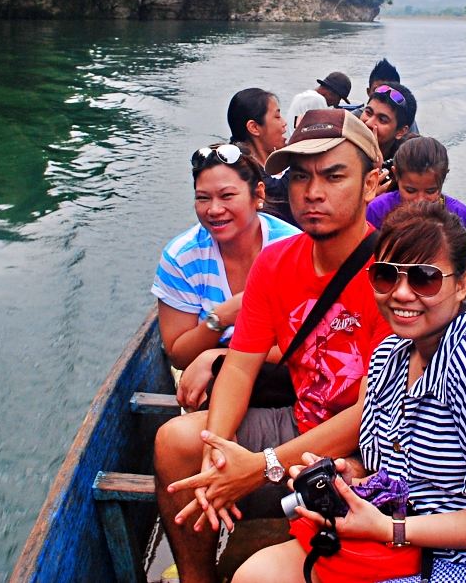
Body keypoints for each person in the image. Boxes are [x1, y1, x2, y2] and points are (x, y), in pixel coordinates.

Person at [233, 203, 466, 583]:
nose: (402, 294)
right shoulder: (387, 357)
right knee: (256, 575)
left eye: (424, 279)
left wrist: (390, 530)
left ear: (461, 285)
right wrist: (353, 476)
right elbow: (386, 468)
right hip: (408, 538)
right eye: (386, 276)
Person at [155, 109, 390, 583]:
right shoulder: (276, 262)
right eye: (300, 177)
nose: (313, 192)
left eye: (334, 175)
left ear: (371, 185)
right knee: (177, 442)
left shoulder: (395, 275)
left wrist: (261, 466)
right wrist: (216, 455)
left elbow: (373, 415)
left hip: (371, 452)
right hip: (299, 421)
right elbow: (241, 368)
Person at [153, 143, 300, 410]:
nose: (214, 210)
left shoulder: (293, 249)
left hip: (285, 375)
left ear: (258, 194)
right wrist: (221, 317)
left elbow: (308, 346)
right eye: (203, 198)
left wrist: (220, 357)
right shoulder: (181, 257)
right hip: (214, 377)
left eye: (227, 195)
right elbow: (179, 356)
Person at [367, 136, 466, 279]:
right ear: (396, 175)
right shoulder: (377, 210)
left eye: (430, 191)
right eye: (410, 191)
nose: (420, 201)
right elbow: (368, 265)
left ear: (444, 178)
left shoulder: (459, 214)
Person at [227, 88, 293, 225]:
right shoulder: (240, 167)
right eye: (277, 117)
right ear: (254, 128)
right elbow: (279, 192)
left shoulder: (276, 160)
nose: (284, 122)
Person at [360, 81, 417, 164]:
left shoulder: (403, 169)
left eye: (382, 120)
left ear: (401, 132)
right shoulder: (339, 144)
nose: (369, 123)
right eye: (368, 112)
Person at [287, 72, 352, 138]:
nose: (337, 103)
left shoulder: (301, 96)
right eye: (338, 99)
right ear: (331, 93)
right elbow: (325, 132)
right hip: (296, 146)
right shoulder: (318, 99)